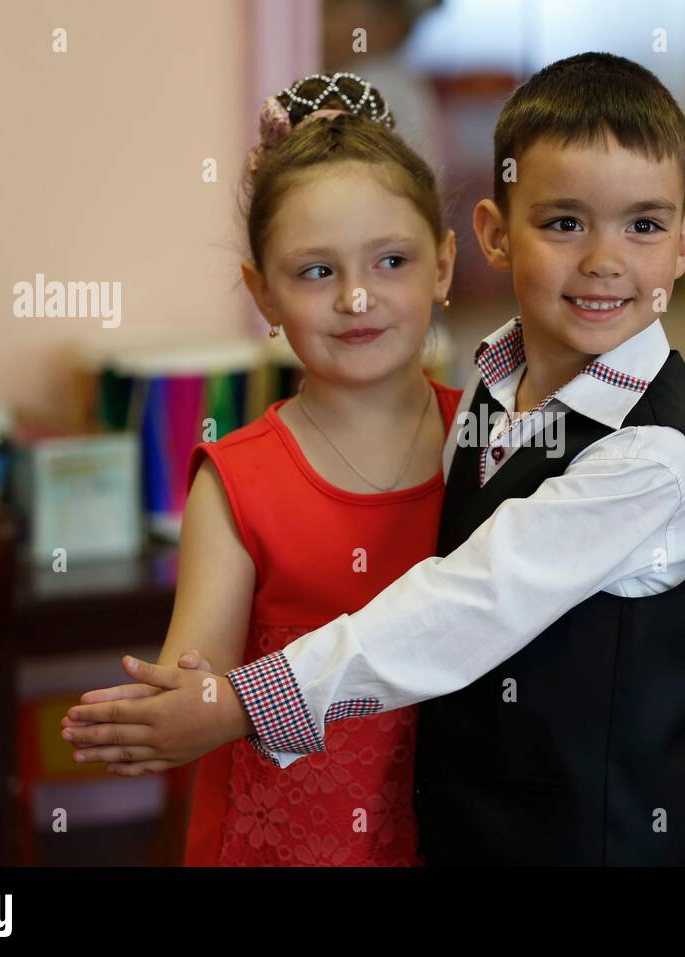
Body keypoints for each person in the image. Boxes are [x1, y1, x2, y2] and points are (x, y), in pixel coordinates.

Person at [65, 53, 685, 866]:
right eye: (564, 223)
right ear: (493, 235)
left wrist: (245, 700)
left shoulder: (651, 457)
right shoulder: (494, 384)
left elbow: (471, 602)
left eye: (644, 224)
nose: (603, 259)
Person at [63, 72, 460, 866]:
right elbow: (196, 680)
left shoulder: (491, 443)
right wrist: (164, 715)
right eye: (316, 271)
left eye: (391, 261)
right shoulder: (236, 481)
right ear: (263, 293)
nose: (356, 297)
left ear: (444, 266)